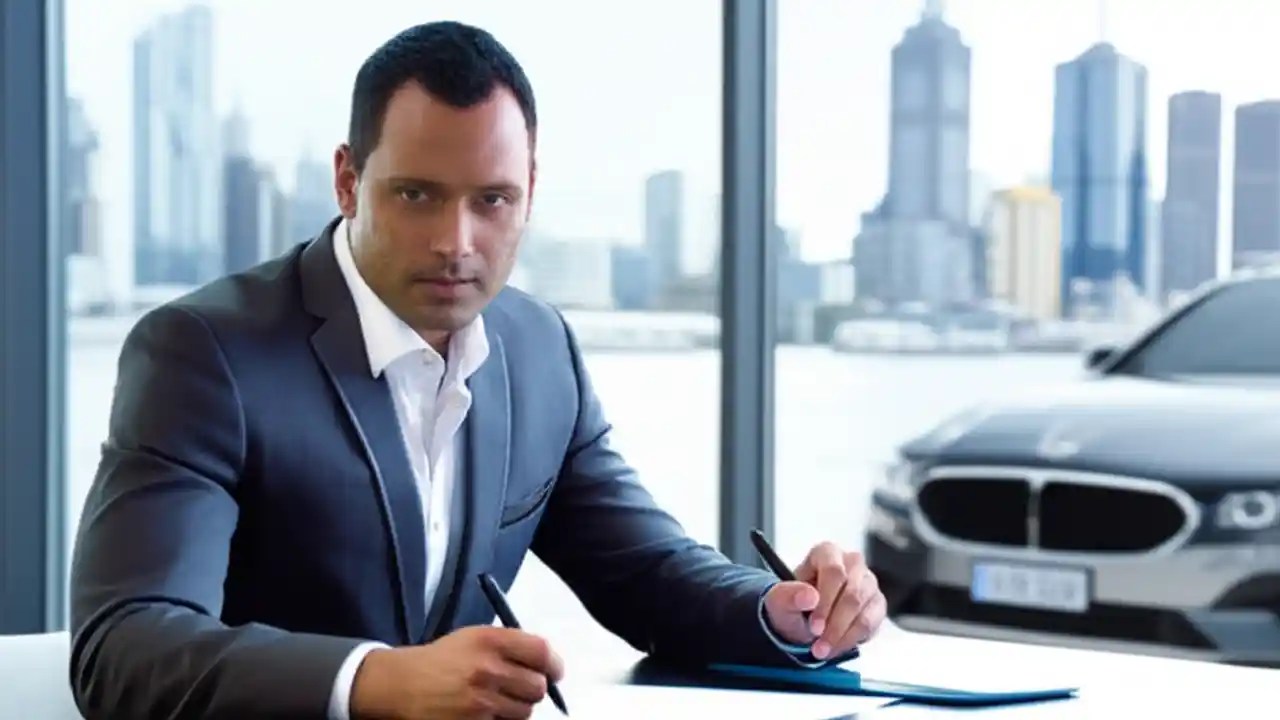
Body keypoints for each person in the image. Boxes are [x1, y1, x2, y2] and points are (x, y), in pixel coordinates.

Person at [68, 20, 886, 720]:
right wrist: (377, 680)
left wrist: (783, 613)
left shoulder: (538, 350)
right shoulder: (204, 354)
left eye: (491, 200)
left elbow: (643, 571)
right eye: (417, 195)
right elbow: (126, 644)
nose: (457, 243)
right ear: (349, 181)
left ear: (529, 190)